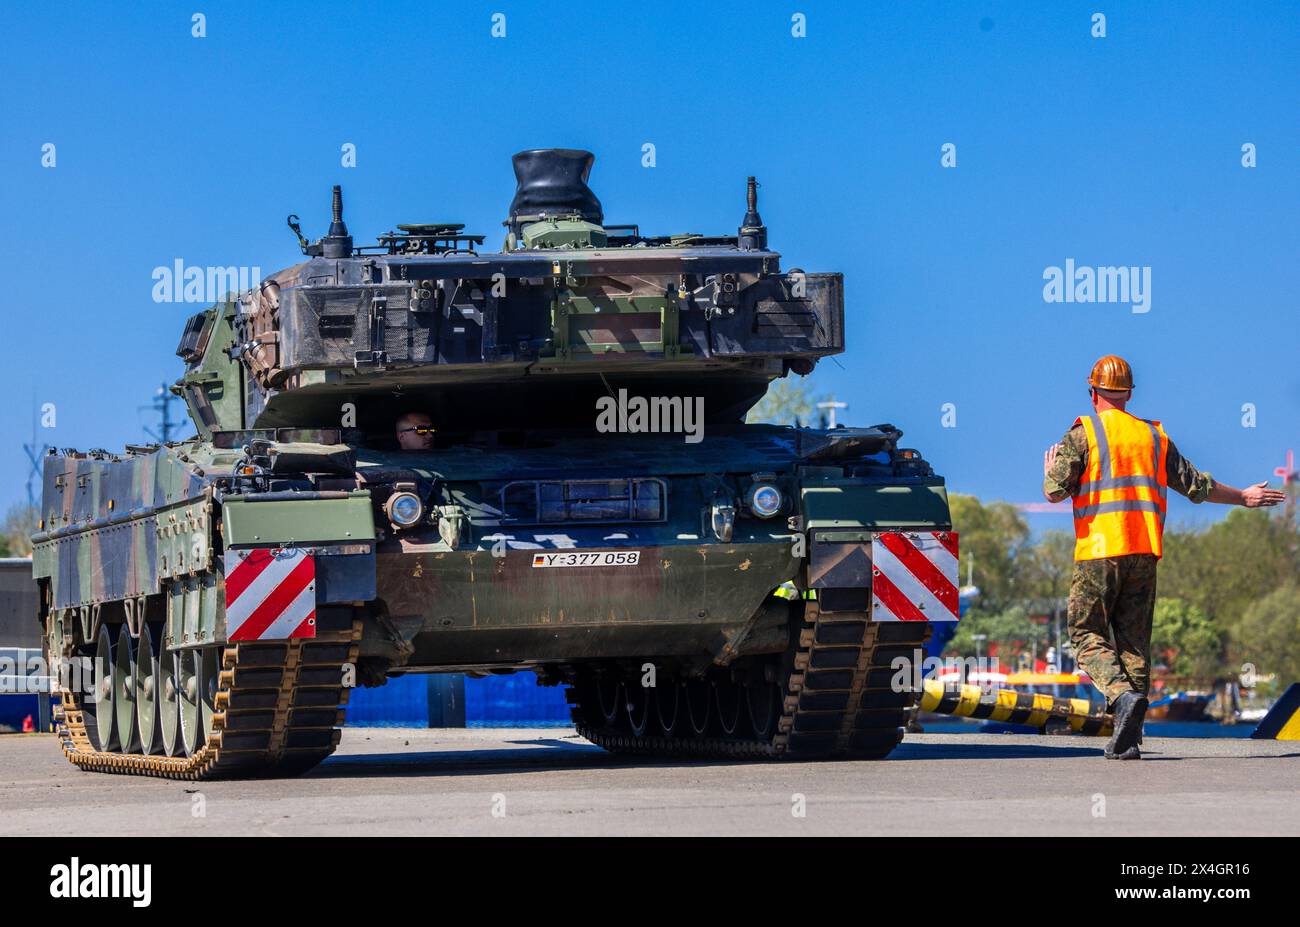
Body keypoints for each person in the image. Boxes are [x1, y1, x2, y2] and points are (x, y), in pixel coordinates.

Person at [1042, 355, 1284, 759]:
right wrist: (1243, 497)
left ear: (1093, 392)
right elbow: (1195, 486)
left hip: (1100, 551)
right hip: (1145, 550)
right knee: (1134, 643)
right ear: (1129, 394)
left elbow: (1054, 491)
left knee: (1085, 634)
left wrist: (1050, 469)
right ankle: (1129, 739)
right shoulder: (1154, 438)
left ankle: (1120, 697)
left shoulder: (1083, 434)